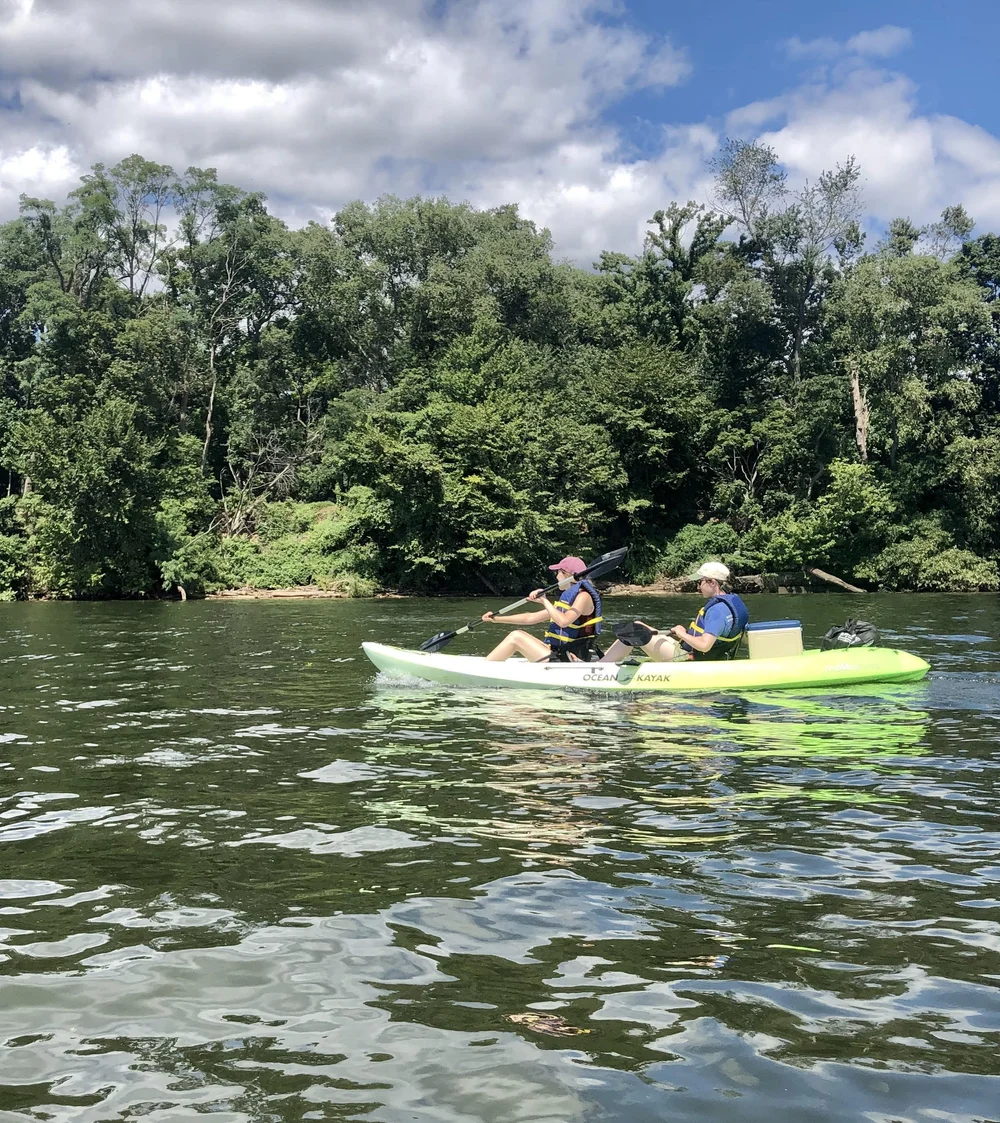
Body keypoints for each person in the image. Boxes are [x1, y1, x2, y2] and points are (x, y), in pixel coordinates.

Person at [599, 561, 749, 663]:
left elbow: (704, 646)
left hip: (689, 660)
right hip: (705, 657)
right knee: (640, 626)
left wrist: (680, 632)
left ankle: (600, 667)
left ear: (712, 582)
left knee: (635, 630)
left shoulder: (716, 612)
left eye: (700, 582)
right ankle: (603, 662)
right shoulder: (734, 604)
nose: (698, 587)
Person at [481, 555, 603, 662]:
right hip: (559, 653)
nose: (556, 577)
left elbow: (564, 621)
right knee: (518, 634)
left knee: (516, 636)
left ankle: (484, 671)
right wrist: (496, 619)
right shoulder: (568, 599)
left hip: (571, 658)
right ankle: (487, 666)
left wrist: (544, 600)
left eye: (558, 573)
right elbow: (531, 618)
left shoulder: (584, 596)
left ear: (566, 574)